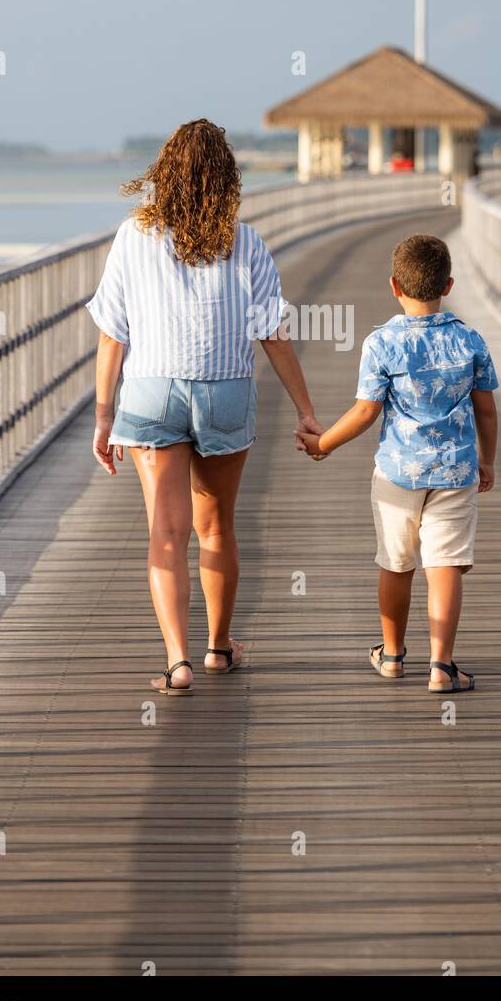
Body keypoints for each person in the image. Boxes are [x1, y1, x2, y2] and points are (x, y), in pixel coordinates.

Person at [86, 119, 321, 695]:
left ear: (164, 173)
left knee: (166, 535)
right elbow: (273, 333)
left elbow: (113, 335)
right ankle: (219, 649)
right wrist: (306, 411)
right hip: (224, 391)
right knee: (215, 529)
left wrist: (103, 414)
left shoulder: (131, 237)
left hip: (150, 393)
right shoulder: (245, 241)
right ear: (227, 178)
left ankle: (178, 662)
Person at [296, 233, 498, 693]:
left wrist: (323, 442)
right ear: (448, 284)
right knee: (444, 565)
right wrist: (488, 460)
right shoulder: (469, 339)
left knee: (396, 563)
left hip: (397, 473)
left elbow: (366, 411)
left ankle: (391, 656)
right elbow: (486, 409)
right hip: (455, 471)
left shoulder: (381, 343)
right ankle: (441, 667)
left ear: (393, 286)